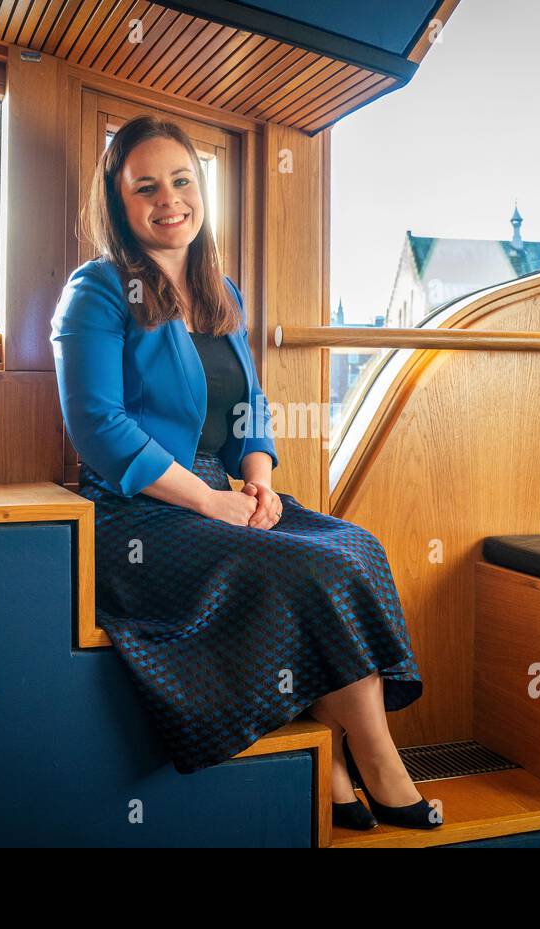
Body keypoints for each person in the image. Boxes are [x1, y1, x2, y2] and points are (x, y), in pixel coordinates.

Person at [50, 114, 440, 832]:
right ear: (120, 203)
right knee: (308, 572)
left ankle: (336, 761)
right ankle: (378, 761)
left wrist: (256, 478)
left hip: (219, 492)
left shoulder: (218, 287)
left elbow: (248, 406)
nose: (168, 199)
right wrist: (206, 499)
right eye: (146, 187)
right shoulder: (98, 289)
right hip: (134, 511)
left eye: (181, 181)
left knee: (355, 547)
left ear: (201, 191)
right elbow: (98, 426)